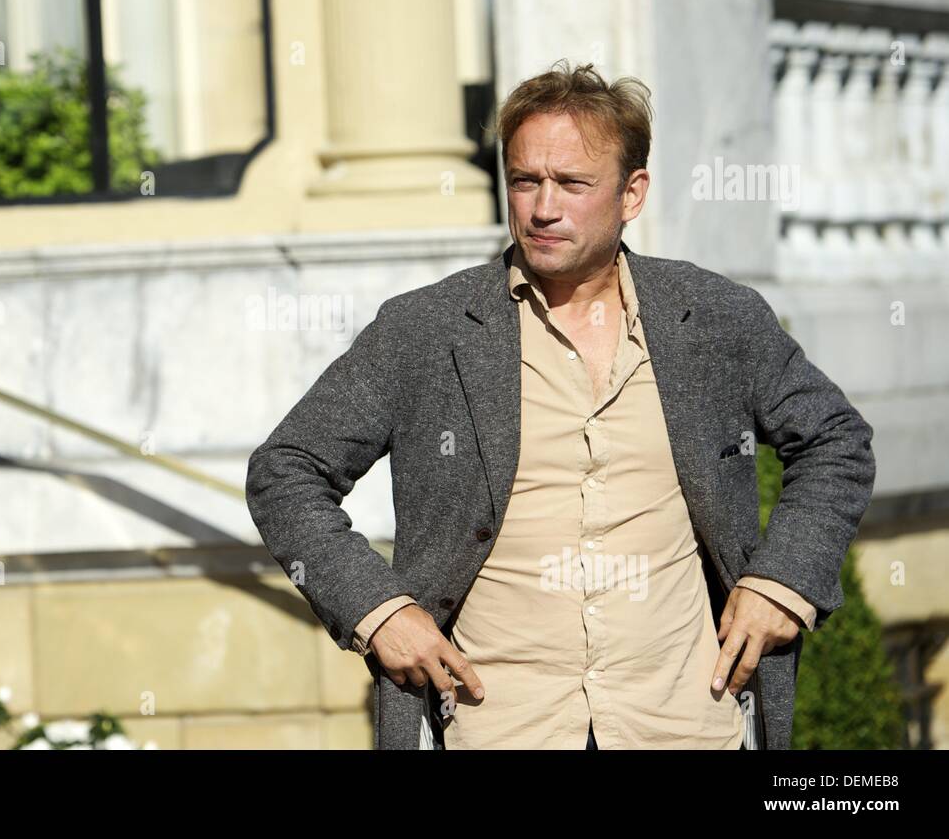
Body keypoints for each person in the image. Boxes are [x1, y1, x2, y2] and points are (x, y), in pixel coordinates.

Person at [245, 62, 876, 749]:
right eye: (524, 180)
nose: (543, 208)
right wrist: (377, 608)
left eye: (572, 184)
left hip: (686, 722)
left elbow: (836, 440)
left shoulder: (716, 318)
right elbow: (287, 470)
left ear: (632, 192)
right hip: (497, 726)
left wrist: (782, 581)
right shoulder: (425, 330)